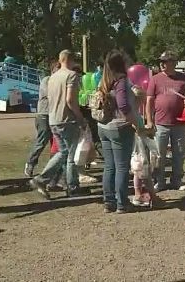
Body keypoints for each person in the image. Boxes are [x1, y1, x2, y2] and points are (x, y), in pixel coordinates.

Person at [29, 50, 86, 199]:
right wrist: (80, 117)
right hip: (67, 119)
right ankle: (72, 187)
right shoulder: (71, 75)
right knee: (70, 155)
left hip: (53, 119)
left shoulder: (52, 78)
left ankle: (43, 180)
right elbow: (70, 100)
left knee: (63, 152)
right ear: (71, 60)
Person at [98, 50, 142, 213]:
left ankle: (109, 201)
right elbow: (123, 105)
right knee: (122, 167)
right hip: (120, 127)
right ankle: (122, 203)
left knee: (109, 166)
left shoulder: (104, 80)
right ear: (121, 64)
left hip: (103, 126)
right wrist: (135, 122)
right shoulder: (121, 81)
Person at [145, 51, 185, 192]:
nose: (162, 64)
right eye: (161, 61)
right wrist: (149, 120)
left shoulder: (184, 79)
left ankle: (177, 180)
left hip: (179, 123)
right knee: (159, 154)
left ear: (174, 63)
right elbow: (149, 100)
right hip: (160, 123)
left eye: (166, 61)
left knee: (179, 153)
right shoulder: (155, 79)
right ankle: (159, 180)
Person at [24, 60, 59, 177]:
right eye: (58, 70)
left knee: (56, 144)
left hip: (56, 115)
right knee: (42, 140)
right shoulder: (46, 80)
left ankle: (53, 169)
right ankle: (30, 163)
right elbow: (51, 94)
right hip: (44, 115)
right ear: (53, 70)